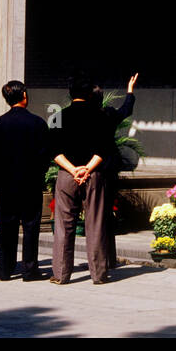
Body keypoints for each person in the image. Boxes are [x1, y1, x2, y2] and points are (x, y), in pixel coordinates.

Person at [51, 77, 113, 284]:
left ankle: (61, 274)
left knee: (63, 225)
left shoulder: (58, 115)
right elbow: (104, 149)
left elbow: (54, 150)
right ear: (89, 94)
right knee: (95, 224)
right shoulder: (101, 116)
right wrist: (87, 168)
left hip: (66, 175)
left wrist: (72, 169)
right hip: (93, 174)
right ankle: (99, 274)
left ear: (70, 94)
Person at [0, 80, 50, 281]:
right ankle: (29, 268)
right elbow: (44, 155)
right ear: (24, 95)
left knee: (6, 225)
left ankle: (4, 269)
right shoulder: (38, 123)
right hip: (30, 183)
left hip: (5, 184)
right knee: (31, 226)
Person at [98, 73, 137, 270]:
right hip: (108, 167)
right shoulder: (108, 114)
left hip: (85, 168)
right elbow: (126, 110)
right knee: (105, 215)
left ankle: (97, 258)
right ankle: (108, 258)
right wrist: (129, 91)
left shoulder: (77, 116)